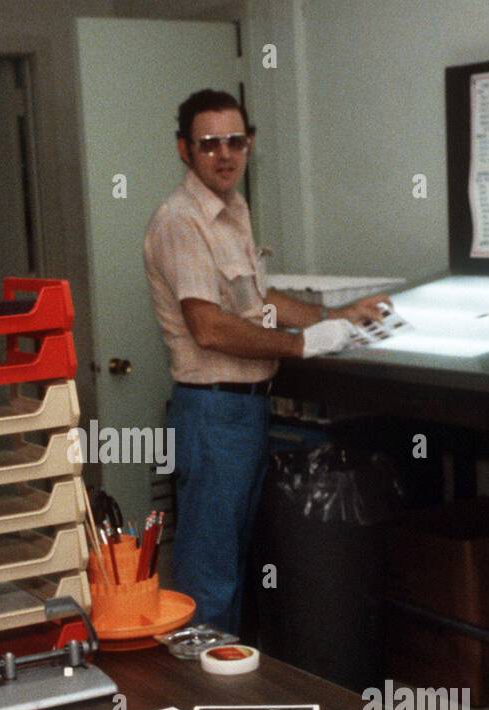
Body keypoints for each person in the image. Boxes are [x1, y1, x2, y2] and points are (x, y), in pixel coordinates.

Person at [143, 89, 391, 633]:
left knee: (233, 562)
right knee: (210, 572)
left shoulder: (233, 210)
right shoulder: (183, 220)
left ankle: (225, 692)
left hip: (245, 412)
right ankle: (198, 704)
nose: (225, 155)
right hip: (212, 413)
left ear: (249, 143)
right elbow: (208, 327)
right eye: (209, 145)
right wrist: (304, 345)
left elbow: (260, 303)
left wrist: (335, 313)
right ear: (184, 150)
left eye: (235, 141)